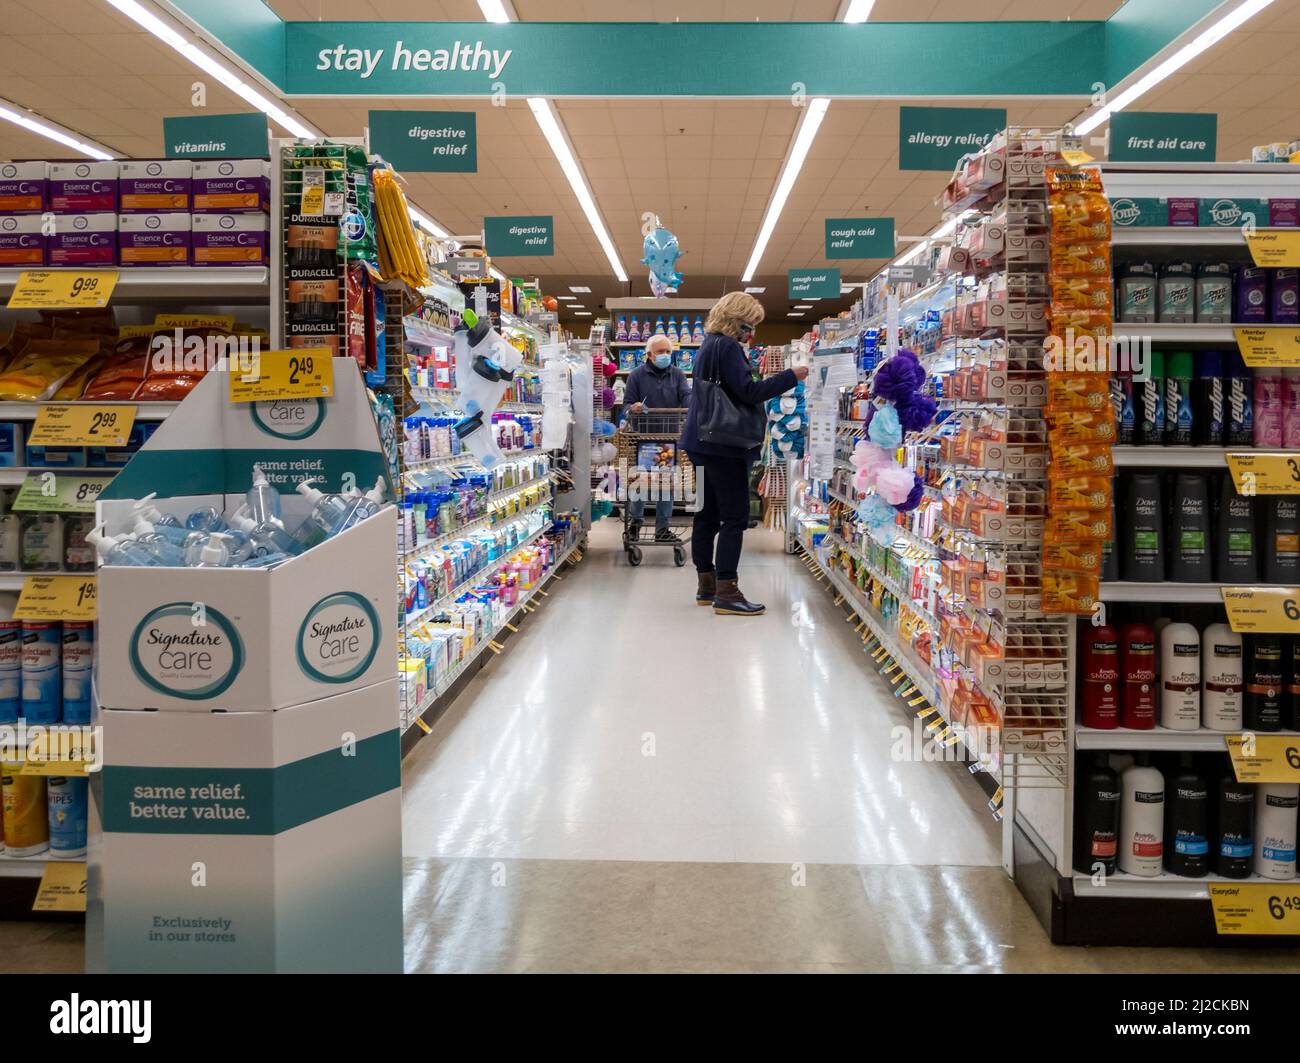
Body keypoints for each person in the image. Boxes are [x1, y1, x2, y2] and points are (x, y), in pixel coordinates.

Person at [679, 292, 808, 615]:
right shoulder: (728, 347)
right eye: (751, 325)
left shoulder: (708, 344)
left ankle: (706, 586)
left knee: (706, 514)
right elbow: (750, 392)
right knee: (735, 517)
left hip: (701, 442)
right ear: (738, 320)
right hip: (725, 445)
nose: (753, 332)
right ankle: (728, 591)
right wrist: (791, 376)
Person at [623, 333, 691, 542]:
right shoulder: (636, 375)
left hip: (669, 439)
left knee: (667, 484)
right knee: (639, 482)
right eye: (661, 352)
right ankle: (635, 523)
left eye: (668, 352)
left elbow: (687, 397)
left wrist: (694, 404)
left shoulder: (678, 374)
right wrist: (632, 408)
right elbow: (626, 405)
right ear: (649, 355)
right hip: (642, 439)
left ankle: (663, 529)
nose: (665, 355)